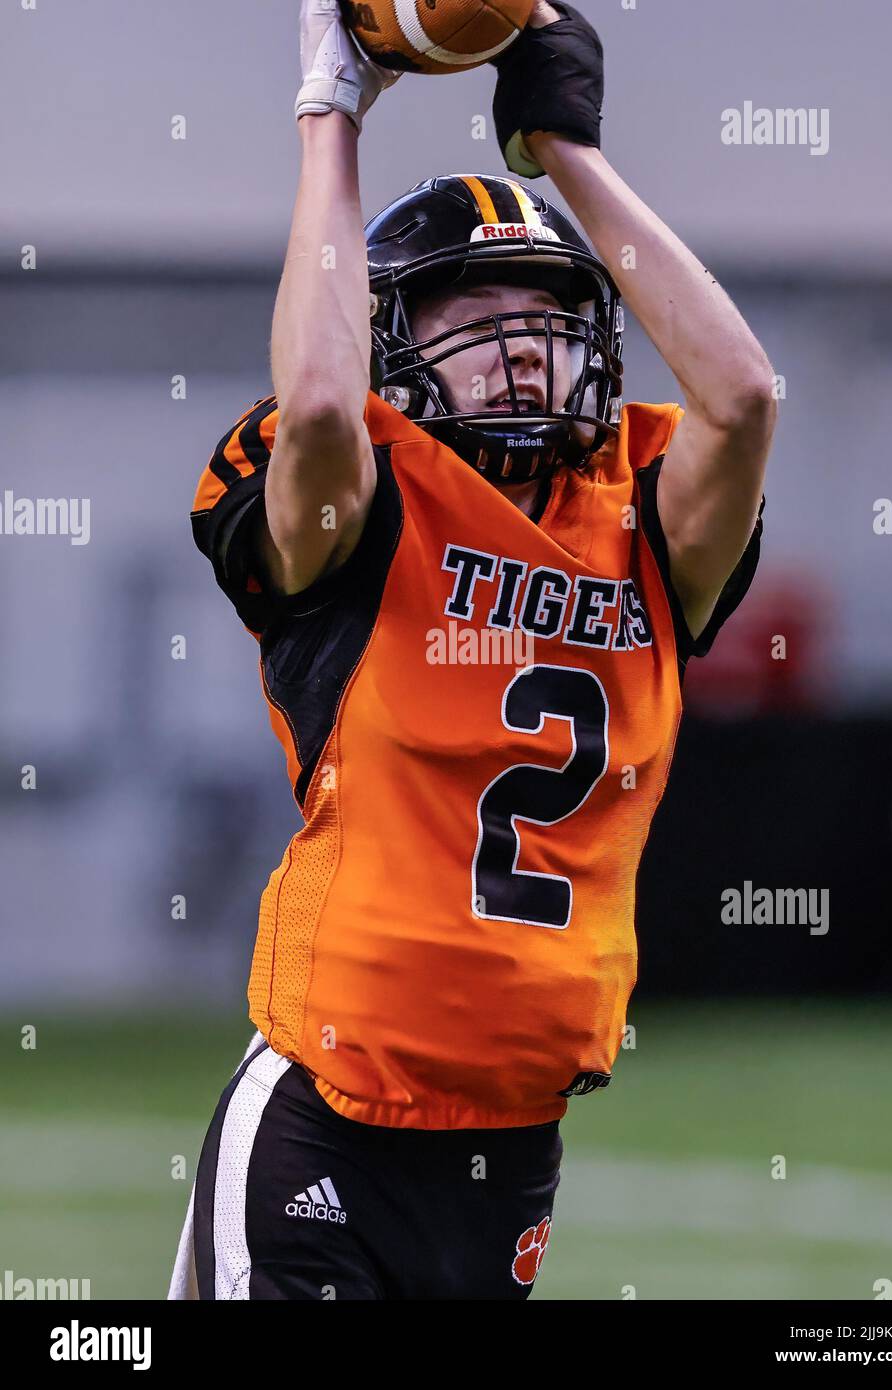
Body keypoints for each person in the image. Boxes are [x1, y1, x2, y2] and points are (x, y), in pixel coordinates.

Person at [170, 0, 776, 1301]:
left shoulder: (641, 513)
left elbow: (747, 395)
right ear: (395, 337)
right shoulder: (370, 496)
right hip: (326, 1121)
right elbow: (325, 403)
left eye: (541, 310)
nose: (512, 341)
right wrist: (331, 110)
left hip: (514, 1150)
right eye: (469, 312)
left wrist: (569, 151)